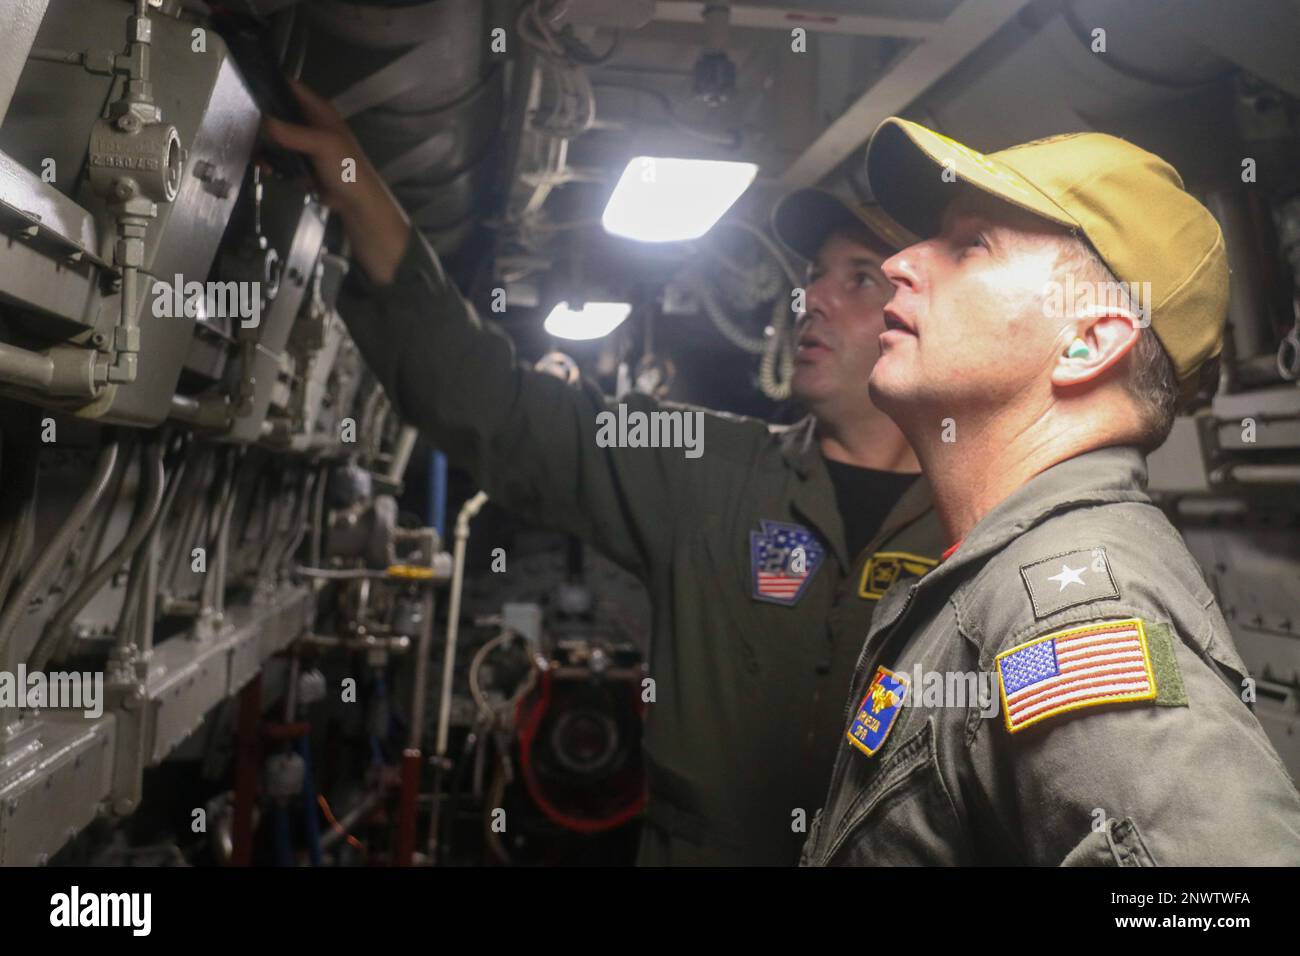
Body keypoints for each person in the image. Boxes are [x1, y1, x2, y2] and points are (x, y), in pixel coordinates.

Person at [263, 81, 946, 865]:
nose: (811, 297)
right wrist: (358, 187)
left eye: (859, 278)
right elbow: (502, 409)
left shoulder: (984, 520)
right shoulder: (710, 471)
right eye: (814, 273)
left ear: (920, 314)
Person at [801, 118, 1300, 866]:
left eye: (970, 245)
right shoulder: (1010, 577)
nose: (901, 261)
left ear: (1086, 343)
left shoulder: (1069, 610)